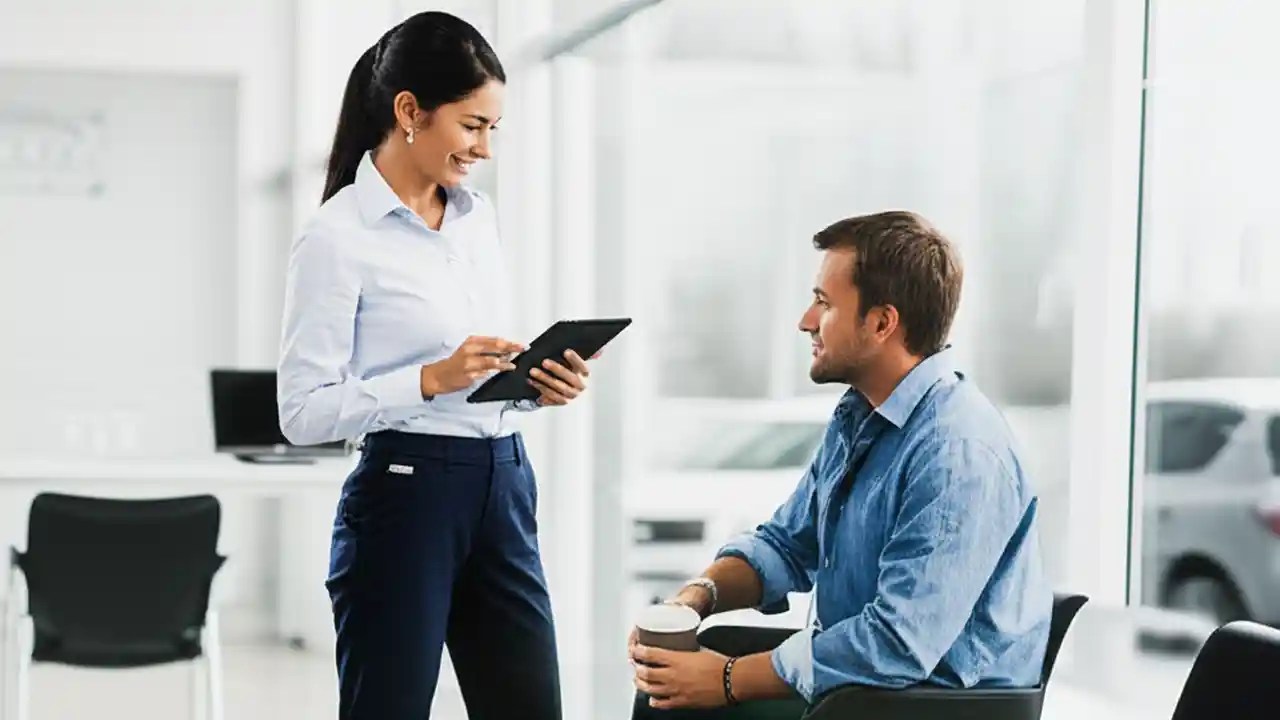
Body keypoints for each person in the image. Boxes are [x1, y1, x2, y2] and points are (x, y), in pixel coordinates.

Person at [277, 12, 588, 720]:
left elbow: (477, 374)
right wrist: (427, 378)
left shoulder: (480, 219)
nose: (483, 147)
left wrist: (534, 388)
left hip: (505, 485)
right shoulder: (336, 236)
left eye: (492, 129)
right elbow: (300, 413)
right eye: (471, 125)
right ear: (410, 111)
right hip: (405, 496)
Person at [628, 211, 1052, 717]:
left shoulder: (957, 452)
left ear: (881, 322)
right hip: (858, 694)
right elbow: (785, 545)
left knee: (689, 700)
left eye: (823, 303)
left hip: (927, 705)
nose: (806, 320)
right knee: (667, 690)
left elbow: (897, 642)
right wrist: (694, 599)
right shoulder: (861, 414)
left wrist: (728, 679)